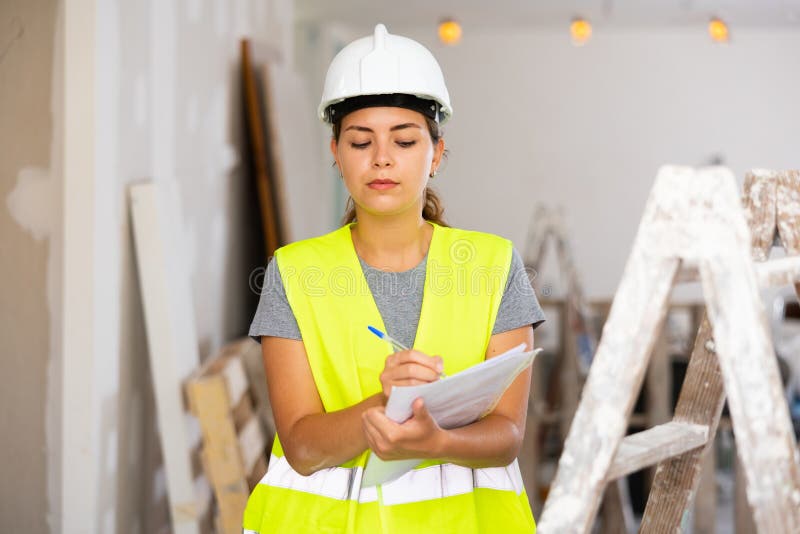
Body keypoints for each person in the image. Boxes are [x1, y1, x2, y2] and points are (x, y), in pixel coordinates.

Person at [243, 23, 545, 534]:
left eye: (404, 140)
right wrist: (383, 406)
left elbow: (508, 434)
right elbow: (302, 447)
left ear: (437, 152)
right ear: (336, 153)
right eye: (361, 141)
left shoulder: (494, 266)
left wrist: (439, 442)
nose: (382, 158)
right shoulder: (293, 273)